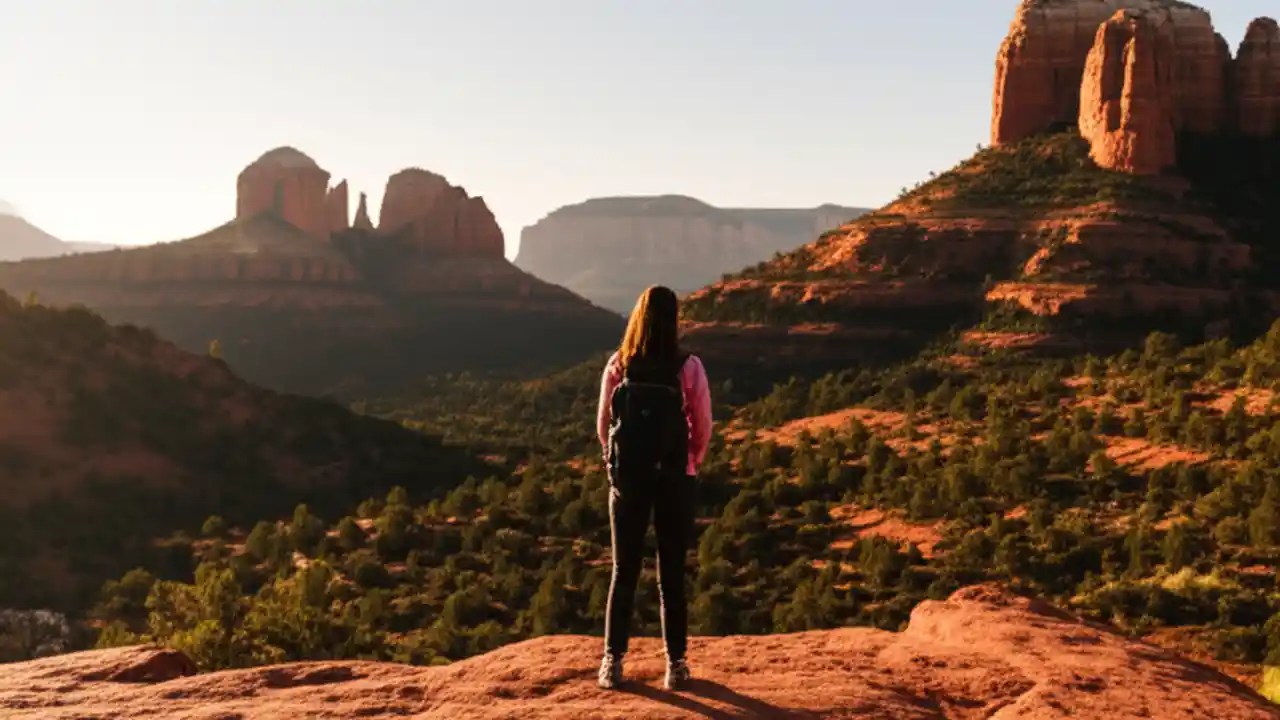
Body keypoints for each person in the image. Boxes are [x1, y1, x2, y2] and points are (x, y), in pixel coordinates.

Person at [595, 285, 712, 691]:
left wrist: (622, 464)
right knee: (671, 575)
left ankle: (612, 662)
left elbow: (603, 426)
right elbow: (703, 426)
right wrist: (687, 462)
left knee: (623, 571)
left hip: (628, 480)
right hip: (674, 479)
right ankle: (676, 666)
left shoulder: (619, 364)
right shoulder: (689, 366)